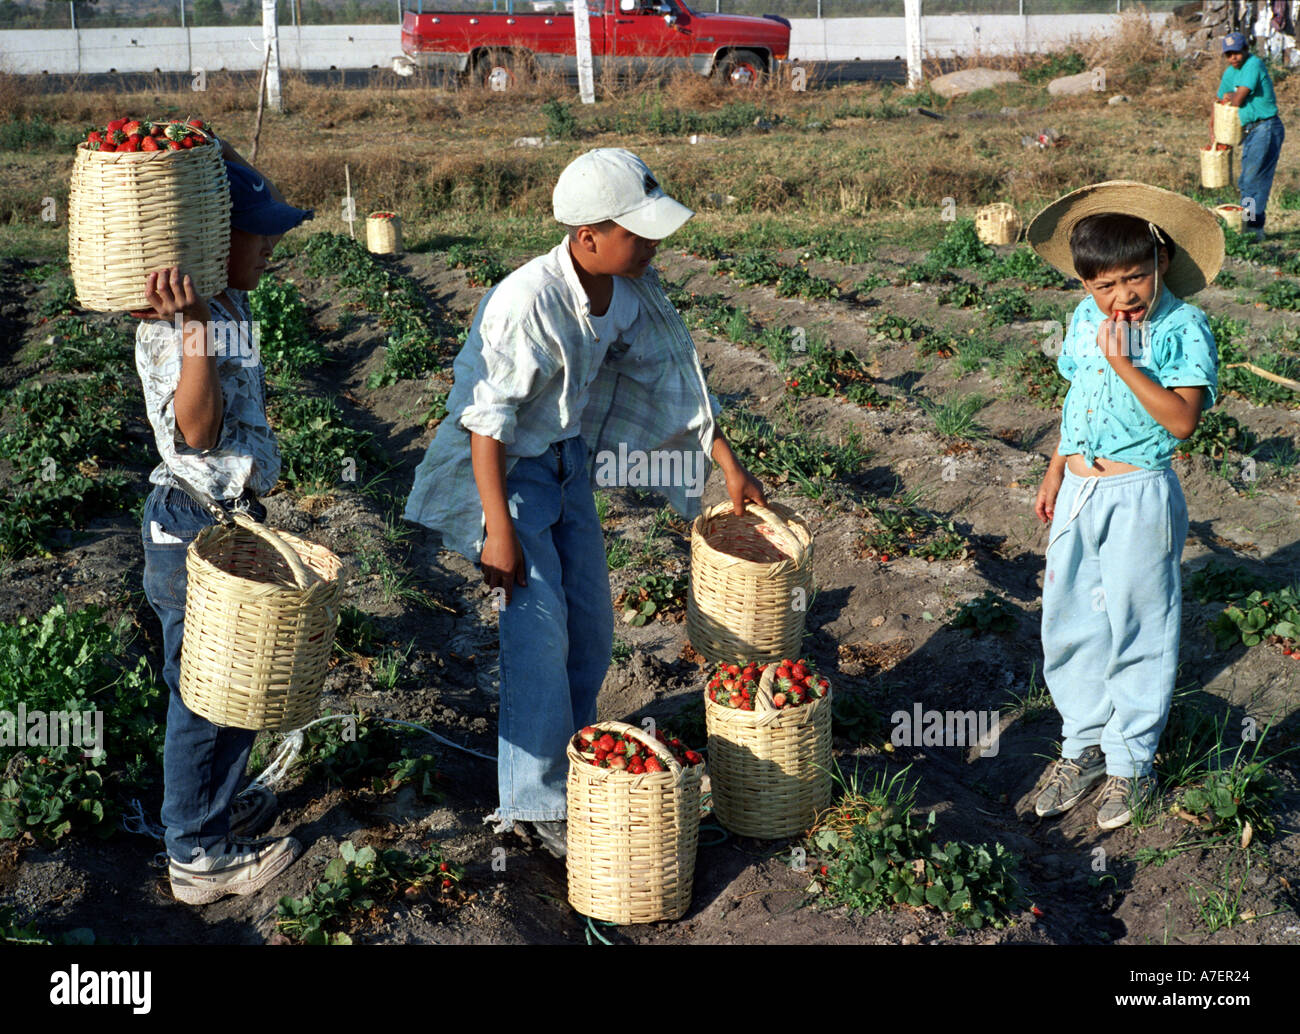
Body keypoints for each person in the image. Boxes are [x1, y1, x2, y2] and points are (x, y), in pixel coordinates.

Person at [403, 148, 766, 858]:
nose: (653, 244)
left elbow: (674, 379)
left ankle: (567, 760)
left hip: (567, 469)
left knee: (592, 627)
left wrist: (729, 465)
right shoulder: (526, 301)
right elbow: (487, 424)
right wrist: (497, 532)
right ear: (588, 236)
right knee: (537, 632)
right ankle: (534, 803)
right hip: (511, 474)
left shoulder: (624, 290)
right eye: (638, 233)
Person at [134, 140, 314, 903]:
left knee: (237, 681)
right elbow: (199, 434)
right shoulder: (177, 325)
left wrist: (209, 153)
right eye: (259, 232)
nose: (271, 244)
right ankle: (197, 854)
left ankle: (208, 805)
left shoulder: (226, 303)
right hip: (190, 527)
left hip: (225, 520)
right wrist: (197, 327)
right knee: (205, 694)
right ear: (210, 240)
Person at [1024, 181, 1224, 831]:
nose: (1123, 297)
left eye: (1136, 278)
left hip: (1140, 492)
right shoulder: (1087, 320)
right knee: (1070, 621)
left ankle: (1132, 764)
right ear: (1083, 285)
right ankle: (1080, 746)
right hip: (1080, 488)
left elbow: (1185, 419)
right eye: (1104, 286)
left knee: (1140, 623)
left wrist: (1130, 365)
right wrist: (1057, 469)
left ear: (1161, 262)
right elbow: (1077, 398)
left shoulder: (1182, 326)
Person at [1216, 31, 1285, 240]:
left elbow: (1238, 98)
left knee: (1255, 179)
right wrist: (1214, 130)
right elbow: (1219, 101)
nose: (1233, 58)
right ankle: (1247, 224)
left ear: (1246, 50)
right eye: (1229, 55)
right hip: (1251, 130)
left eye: (1237, 53)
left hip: (1267, 127)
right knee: (1246, 181)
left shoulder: (1253, 64)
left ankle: (1255, 226)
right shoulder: (1230, 72)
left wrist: (1231, 96)